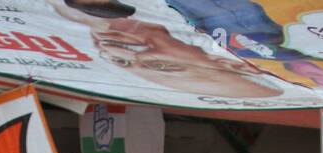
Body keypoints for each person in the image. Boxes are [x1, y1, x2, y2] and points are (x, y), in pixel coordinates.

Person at [54, 1, 281, 99]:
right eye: (160, 64)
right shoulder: (231, 21)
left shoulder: (76, 12)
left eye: (122, 62)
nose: (123, 53)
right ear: (229, 62)